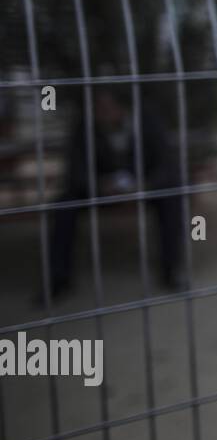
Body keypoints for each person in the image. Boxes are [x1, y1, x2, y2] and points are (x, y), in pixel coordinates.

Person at [45, 86, 184, 299]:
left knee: (172, 198)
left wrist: (143, 186)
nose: (102, 113)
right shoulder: (84, 127)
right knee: (63, 205)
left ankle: (171, 272)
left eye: (107, 108)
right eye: (97, 109)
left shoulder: (148, 123)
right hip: (100, 190)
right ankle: (58, 280)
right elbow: (75, 171)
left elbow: (167, 165)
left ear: (123, 108)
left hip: (141, 187)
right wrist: (99, 186)